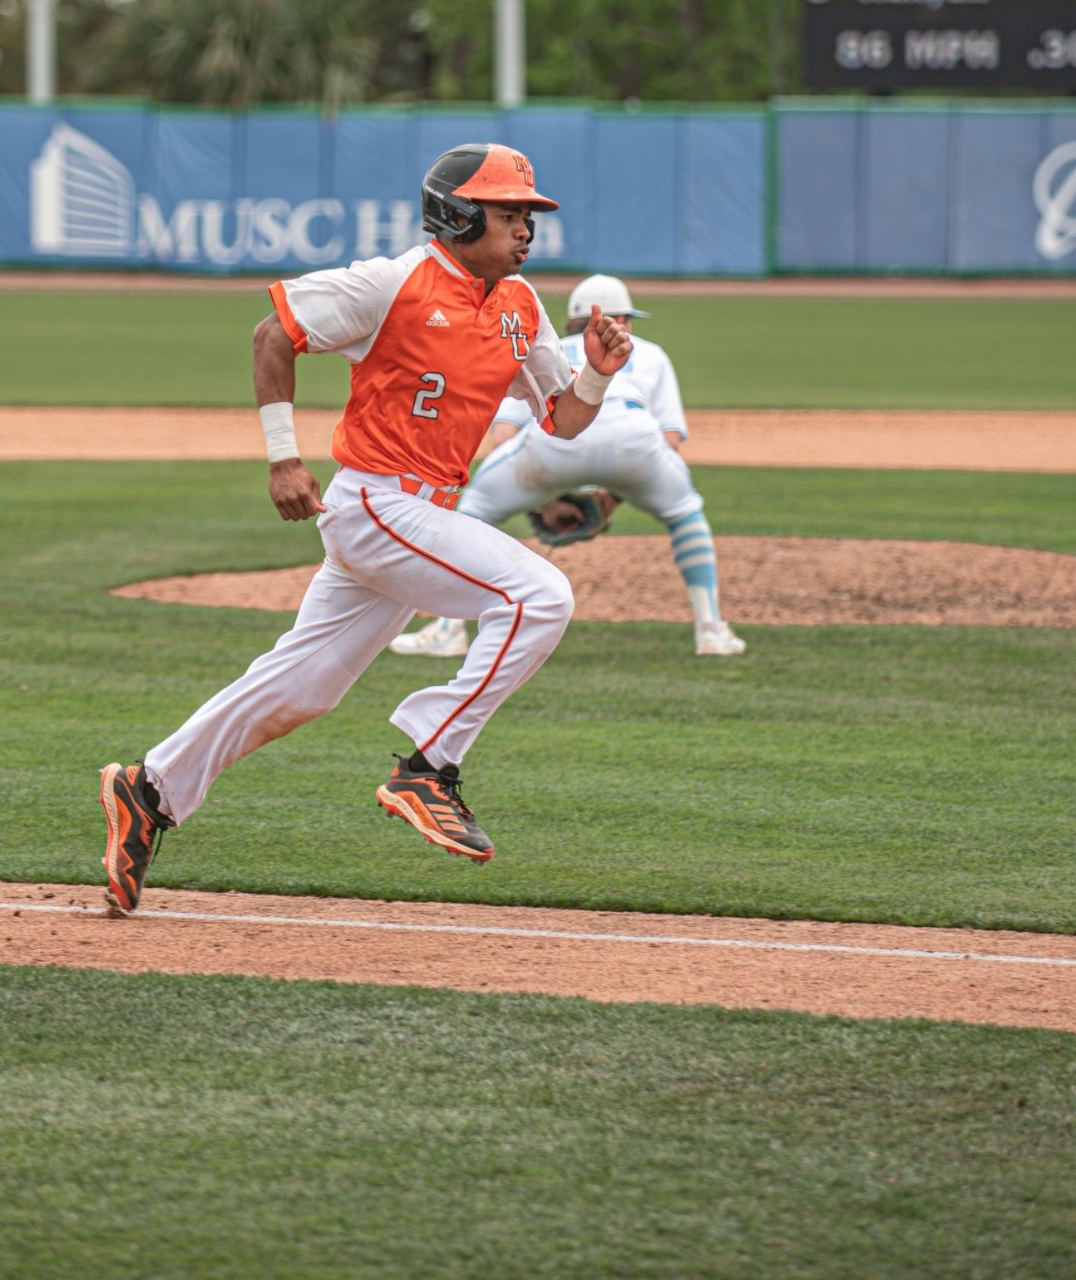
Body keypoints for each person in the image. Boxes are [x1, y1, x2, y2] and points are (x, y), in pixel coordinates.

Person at [97, 143, 632, 915]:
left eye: (528, 214)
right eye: (508, 212)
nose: (525, 228)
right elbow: (270, 335)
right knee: (538, 595)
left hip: (419, 514)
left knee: (301, 688)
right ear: (456, 215)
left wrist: (596, 372)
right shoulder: (392, 282)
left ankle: (148, 790)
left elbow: (563, 420)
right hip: (378, 505)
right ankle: (429, 766)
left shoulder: (518, 304)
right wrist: (283, 459)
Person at [386, 273, 744, 658]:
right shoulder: (651, 353)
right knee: (685, 513)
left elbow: (505, 434)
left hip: (554, 440)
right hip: (635, 437)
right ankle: (710, 629)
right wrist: (614, 497)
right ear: (621, 321)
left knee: (472, 512)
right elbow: (668, 442)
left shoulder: (546, 347)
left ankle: (446, 628)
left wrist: (543, 498)